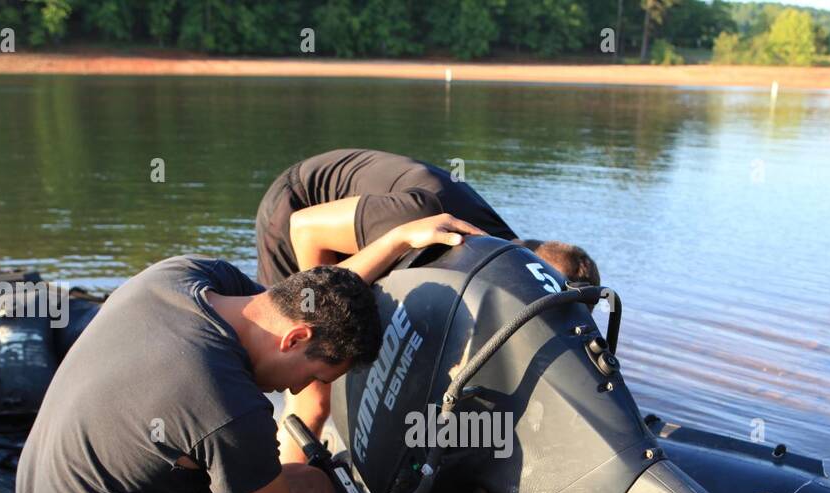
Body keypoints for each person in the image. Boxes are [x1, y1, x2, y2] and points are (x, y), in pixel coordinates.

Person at [15, 213, 483, 493]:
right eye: (314, 375)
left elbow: (302, 300)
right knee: (309, 492)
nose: (299, 392)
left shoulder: (184, 276)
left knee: (251, 476)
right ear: (296, 339)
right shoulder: (225, 404)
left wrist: (397, 240)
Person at [254, 148, 599, 463]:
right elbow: (305, 228)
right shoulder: (424, 215)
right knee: (314, 398)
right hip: (298, 213)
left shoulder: (511, 262)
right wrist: (319, 312)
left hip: (357, 230)